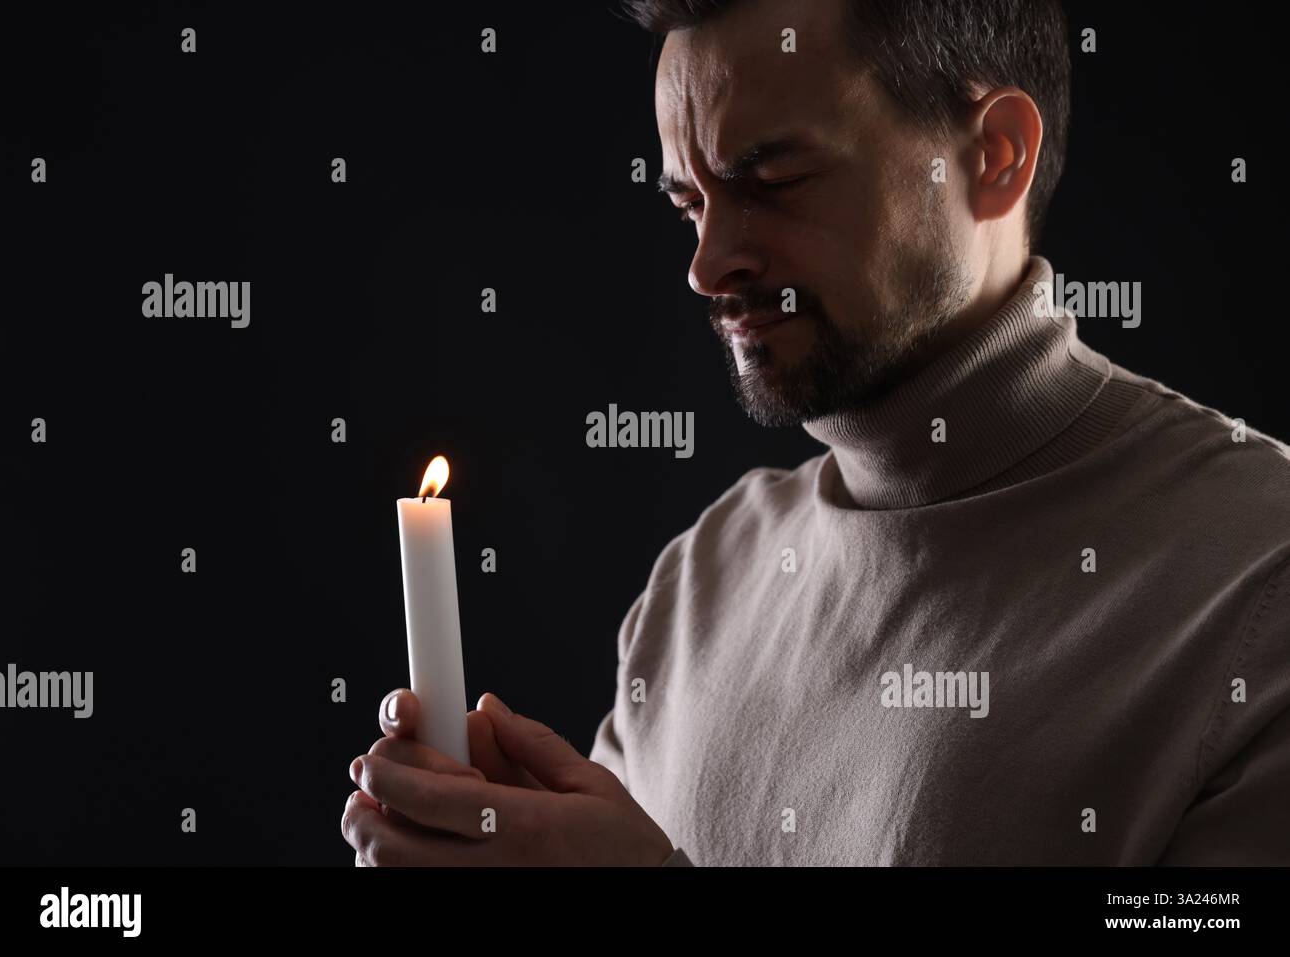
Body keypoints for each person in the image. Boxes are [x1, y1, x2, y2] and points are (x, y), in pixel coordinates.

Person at [341, 0, 1290, 866]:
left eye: (776, 181)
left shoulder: (1261, 574)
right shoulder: (702, 579)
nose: (708, 266)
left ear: (995, 154)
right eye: (690, 204)